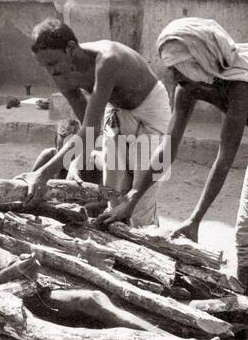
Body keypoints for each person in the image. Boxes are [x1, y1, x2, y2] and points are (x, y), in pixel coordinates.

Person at [102, 17, 248, 340]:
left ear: (202, 61)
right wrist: (134, 195)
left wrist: (195, 220)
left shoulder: (239, 84)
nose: (174, 77)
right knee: (247, 239)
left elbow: (224, 158)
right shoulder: (187, 87)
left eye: (179, 68)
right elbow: (169, 147)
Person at [0, 207, 162, 333]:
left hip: (42, 280)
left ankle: (165, 328)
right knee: (91, 299)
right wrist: (14, 272)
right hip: (21, 299)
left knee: (110, 292)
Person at [25, 19, 169, 227]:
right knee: (114, 195)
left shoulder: (107, 60)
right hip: (117, 110)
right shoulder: (60, 73)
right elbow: (89, 128)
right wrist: (77, 162)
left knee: (140, 202)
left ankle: (151, 244)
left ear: (71, 48)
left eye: (53, 63)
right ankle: (122, 251)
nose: (51, 71)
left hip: (153, 110)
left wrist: (43, 174)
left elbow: (89, 132)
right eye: (45, 65)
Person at [32, 118, 102, 187]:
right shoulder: (48, 155)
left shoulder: (92, 159)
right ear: (55, 140)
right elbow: (30, 180)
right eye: (63, 136)